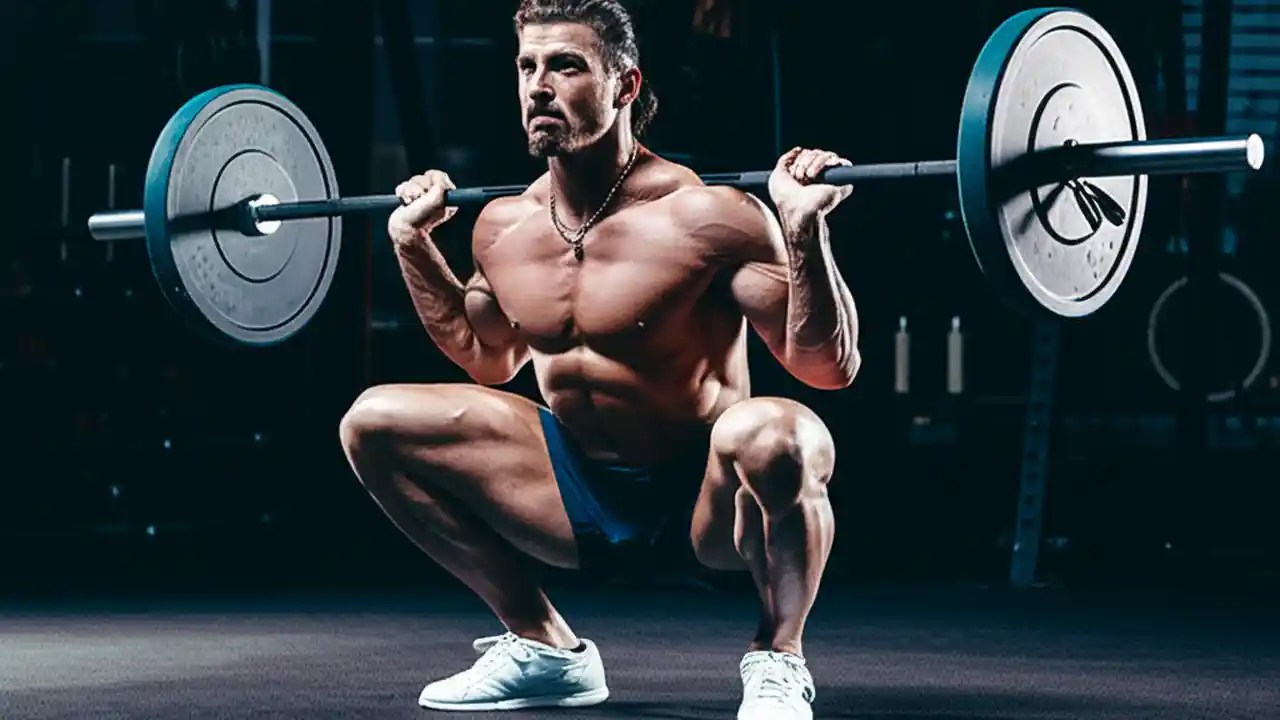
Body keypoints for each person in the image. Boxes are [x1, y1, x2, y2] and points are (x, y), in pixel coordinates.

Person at [339, 1, 859, 718]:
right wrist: (412, 244)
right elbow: (487, 358)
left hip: (704, 501)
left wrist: (803, 233)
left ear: (624, 86)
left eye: (565, 65)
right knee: (372, 422)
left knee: (777, 432)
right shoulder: (504, 227)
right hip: (575, 492)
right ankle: (542, 645)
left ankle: (778, 657)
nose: (538, 86)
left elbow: (827, 367)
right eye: (527, 66)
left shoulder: (707, 216)